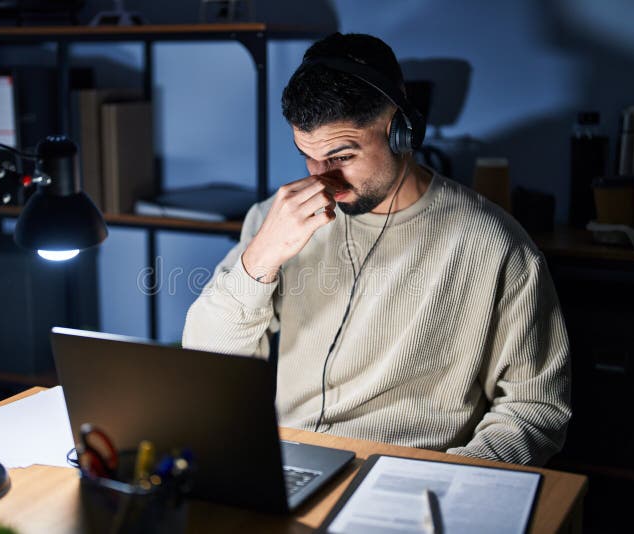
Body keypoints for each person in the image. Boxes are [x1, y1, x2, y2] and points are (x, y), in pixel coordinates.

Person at [183, 32, 570, 466]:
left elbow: (535, 410)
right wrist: (259, 261)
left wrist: (453, 475)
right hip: (289, 463)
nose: (321, 177)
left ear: (400, 131)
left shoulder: (496, 245)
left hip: (412, 474)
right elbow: (207, 364)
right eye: (307, 155)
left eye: (341, 156)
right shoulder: (276, 220)